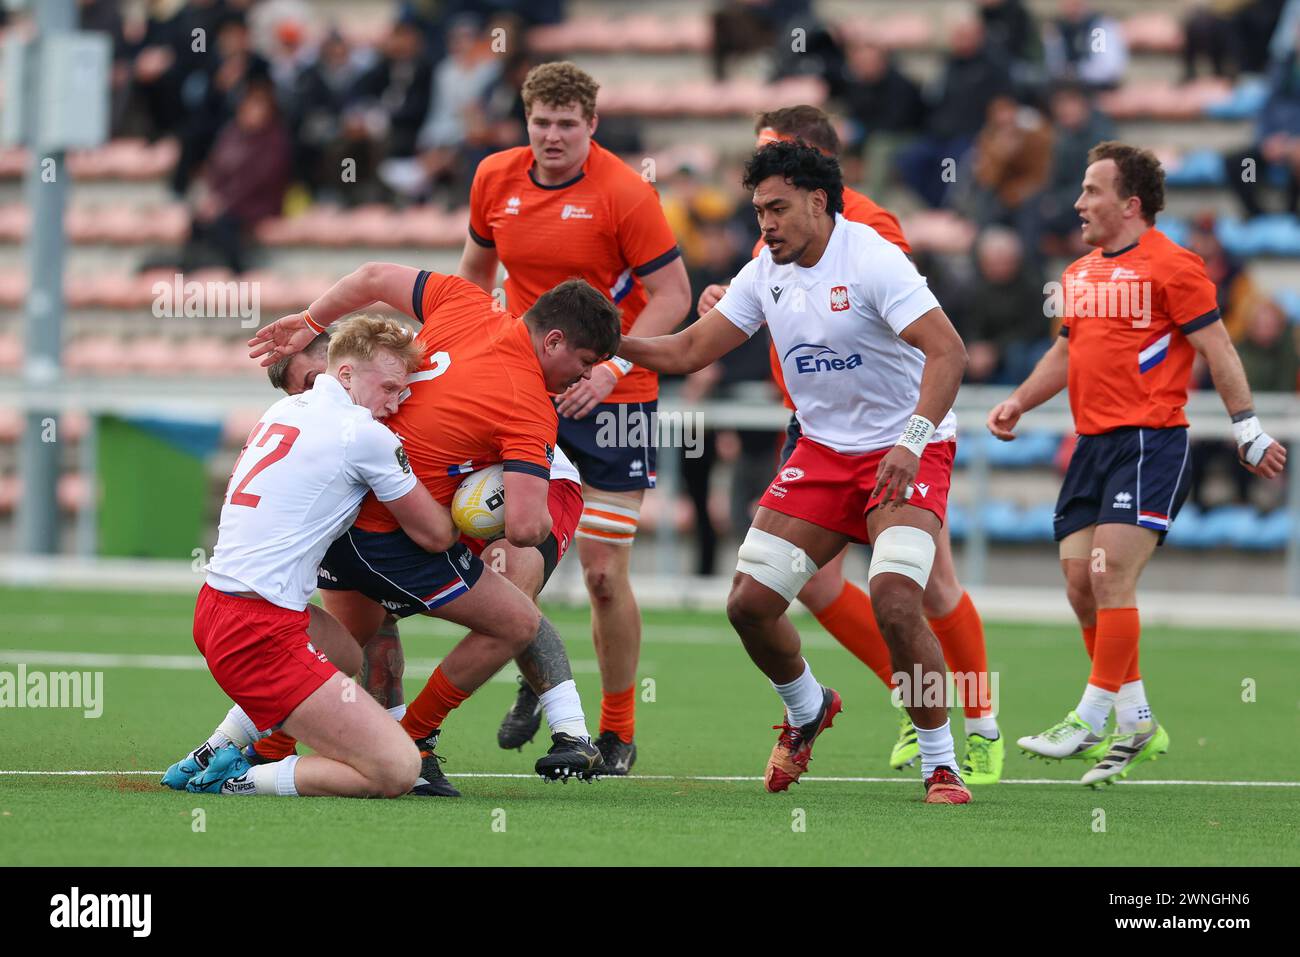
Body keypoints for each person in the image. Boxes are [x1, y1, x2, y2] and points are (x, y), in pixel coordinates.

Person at [620, 141, 974, 804]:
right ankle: (808, 705)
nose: (766, 223)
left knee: (898, 599)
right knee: (748, 606)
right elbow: (693, 348)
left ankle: (941, 761)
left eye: (777, 208)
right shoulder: (764, 269)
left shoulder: (872, 258)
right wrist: (611, 341)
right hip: (822, 451)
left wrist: (912, 439)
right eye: (758, 211)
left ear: (818, 202)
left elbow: (948, 352)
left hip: (906, 445)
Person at [698, 107, 1004, 784]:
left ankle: (972, 730)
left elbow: (926, 340)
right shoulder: (772, 237)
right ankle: (857, 703)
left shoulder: (869, 233)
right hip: (817, 429)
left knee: (916, 589)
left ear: (812, 174)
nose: (763, 212)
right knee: (779, 592)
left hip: (900, 431)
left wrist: (912, 436)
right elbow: (749, 316)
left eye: (772, 159)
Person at [246, 266, 623, 794]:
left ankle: (249, 751)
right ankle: (415, 739)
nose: (583, 378)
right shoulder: (529, 403)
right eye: (584, 364)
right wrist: (490, 502)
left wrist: (311, 319)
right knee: (514, 620)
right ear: (553, 340)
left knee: (352, 641)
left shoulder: (465, 302)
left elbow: (374, 274)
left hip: (346, 511)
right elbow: (523, 525)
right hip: (388, 528)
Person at [988, 141, 1287, 786]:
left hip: (1150, 443)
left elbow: (1219, 348)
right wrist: (1019, 399)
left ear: (1130, 203)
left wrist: (1250, 429)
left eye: (1091, 190)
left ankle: (1090, 716)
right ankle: (1138, 719)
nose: (1078, 203)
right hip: (1090, 446)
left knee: (1109, 576)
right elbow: (1066, 355)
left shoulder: (1176, 267)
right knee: (1080, 587)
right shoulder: (1078, 275)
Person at [457, 61, 692, 774]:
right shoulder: (495, 178)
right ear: (525, 122)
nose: (553, 136)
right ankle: (538, 666)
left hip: (616, 399)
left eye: (567, 124)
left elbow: (674, 294)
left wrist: (613, 366)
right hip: (529, 388)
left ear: (592, 125)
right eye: (541, 122)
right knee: (508, 562)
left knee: (600, 573)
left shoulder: (624, 192)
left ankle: (618, 731)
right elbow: (471, 274)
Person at [161, 315, 453, 798]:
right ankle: (237, 781)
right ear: (344, 375)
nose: (397, 402)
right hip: (257, 629)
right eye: (390, 387)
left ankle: (218, 747)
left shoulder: (285, 409)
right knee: (396, 771)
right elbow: (436, 534)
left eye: (403, 390)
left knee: (342, 652)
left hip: (216, 605)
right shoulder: (364, 435)